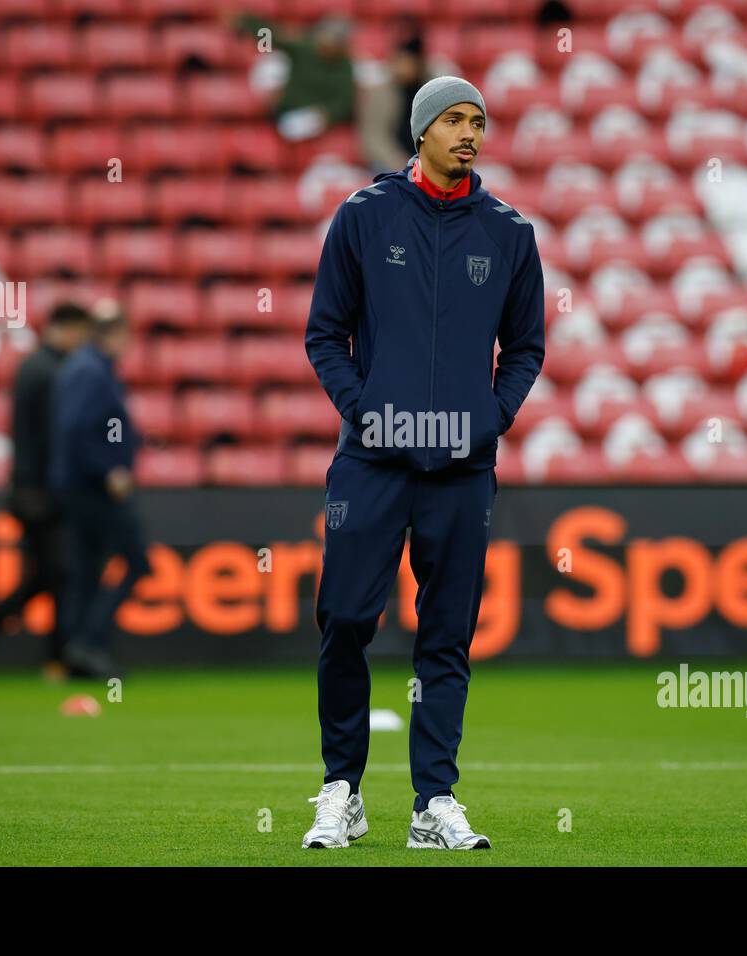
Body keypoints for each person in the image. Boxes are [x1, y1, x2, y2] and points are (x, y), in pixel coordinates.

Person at [301, 76, 546, 849]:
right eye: (453, 120)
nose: (469, 133)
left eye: (478, 121)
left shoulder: (510, 233)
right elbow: (322, 335)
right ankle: (341, 788)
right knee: (344, 620)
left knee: (446, 636)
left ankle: (433, 804)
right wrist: (366, 411)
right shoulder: (364, 217)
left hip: (461, 471)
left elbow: (527, 348)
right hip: (371, 466)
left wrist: (490, 419)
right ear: (420, 132)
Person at [0, 301, 91, 680]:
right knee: (59, 573)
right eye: (79, 334)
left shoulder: (33, 367)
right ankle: (54, 657)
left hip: (28, 486)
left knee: (47, 573)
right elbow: (55, 437)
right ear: (65, 329)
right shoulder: (52, 372)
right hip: (42, 492)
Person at [50, 300, 149, 679]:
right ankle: (87, 643)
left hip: (82, 487)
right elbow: (76, 428)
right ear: (113, 333)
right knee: (136, 561)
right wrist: (109, 470)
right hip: (93, 489)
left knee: (87, 570)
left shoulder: (89, 367)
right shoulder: (90, 371)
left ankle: (79, 654)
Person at [226, 12, 356, 142]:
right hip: (286, 111)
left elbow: (344, 102)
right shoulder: (305, 49)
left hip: (316, 120)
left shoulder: (345, 67)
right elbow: (273, 38)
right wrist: (247, 21)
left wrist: (327, 115)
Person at [358, 30, 433, 174]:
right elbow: (373, 138)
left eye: (405, 61)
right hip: (391, 163)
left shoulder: (434, 91)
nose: (399, 66)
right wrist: (398, 162)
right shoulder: (381, 94)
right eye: (397, 60)